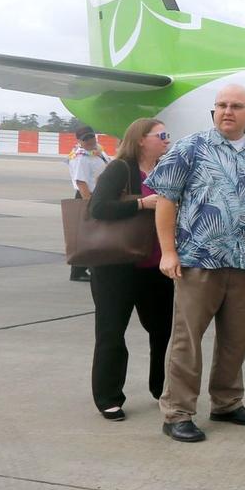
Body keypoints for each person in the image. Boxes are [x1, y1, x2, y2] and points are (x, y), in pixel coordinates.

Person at [148, 83, 245, 443]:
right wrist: (168, 252)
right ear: (214, 111)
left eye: (236, 106)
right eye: (221, 105)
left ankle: (227, 402)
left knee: (236, 340)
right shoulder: (192, 148)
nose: (227, 111)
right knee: (187, 341)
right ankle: (177, 412)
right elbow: (166, 200)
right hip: (198, 261)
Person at [85, 117, 174, 421]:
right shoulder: (119, 169)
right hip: (117, 267)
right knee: (111, 332)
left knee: (163, 330)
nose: (166, 139)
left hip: (156, 266)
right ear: (140, 139)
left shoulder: (166, 170)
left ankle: (161, 387)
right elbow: (97, 208)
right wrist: (140, 204)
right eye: (161, 135)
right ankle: (108, 397)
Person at [67, 126, 110, 282]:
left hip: (99, 195)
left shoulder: (98, 151)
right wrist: (90, 205)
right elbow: (81, 182)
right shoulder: (80, 158)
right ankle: (78, 271)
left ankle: (86, 268)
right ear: (79, 141)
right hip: (88, 196)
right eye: (85, 139)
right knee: (87, 235)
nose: (90, 141)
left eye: (91, 137)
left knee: (92, 234)